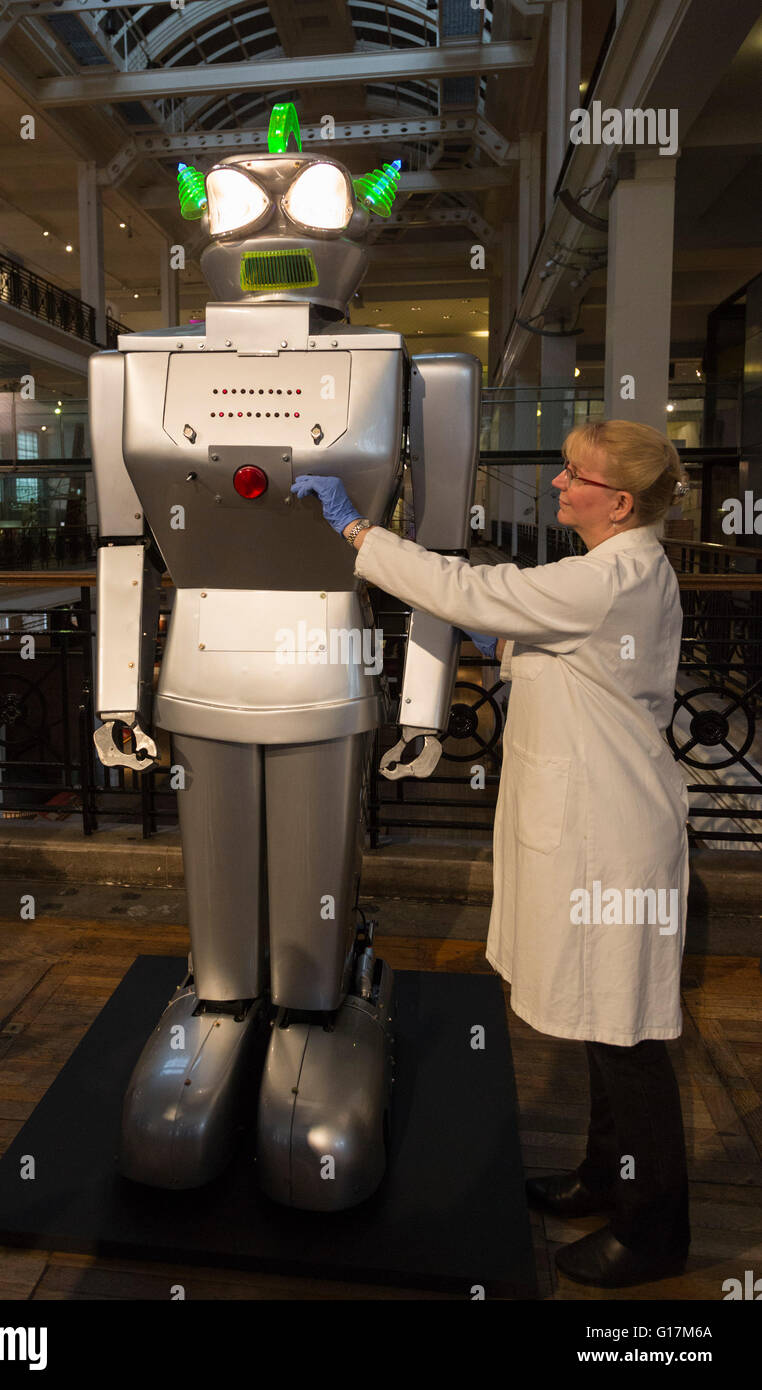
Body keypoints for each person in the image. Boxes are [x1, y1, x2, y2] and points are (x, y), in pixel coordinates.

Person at [292, 419, 692, 1290]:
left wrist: (357, 529)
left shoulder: (608, 577)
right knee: (601, 1023)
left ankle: (655, 1231)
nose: (556, 485)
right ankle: (602, 1175)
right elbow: (542, 635)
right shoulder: (615, 574)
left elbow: (471, 588)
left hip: (611, 833)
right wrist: (504, 643)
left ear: (618, 503)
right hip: (599, 818)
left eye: (574, 476)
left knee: (625, 1036)